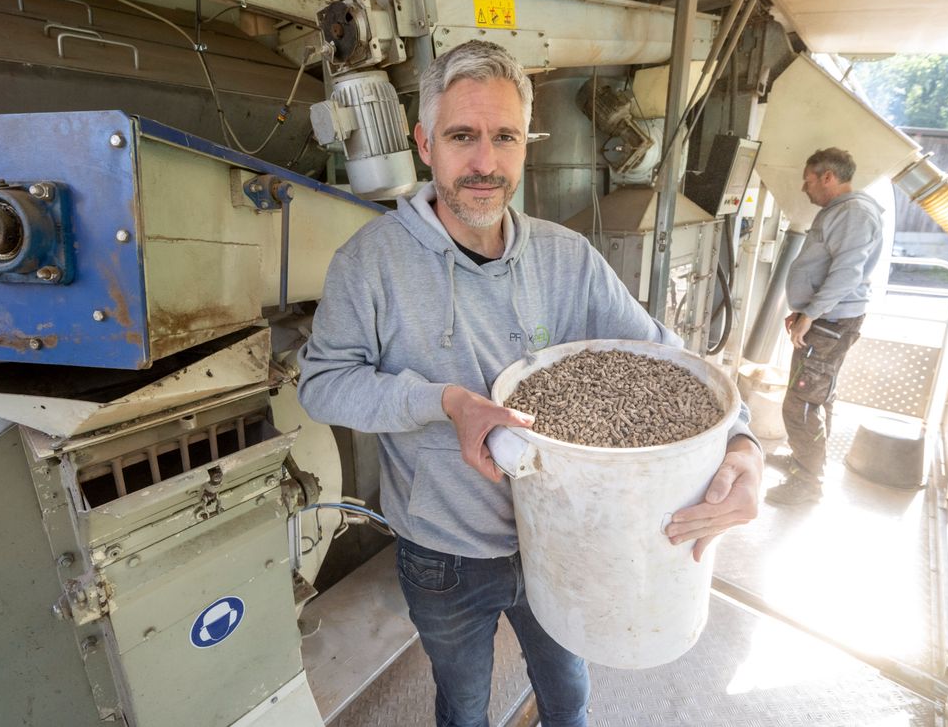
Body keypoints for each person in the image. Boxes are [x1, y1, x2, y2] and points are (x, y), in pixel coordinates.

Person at [297, 40, 763, 727]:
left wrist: (745, 446)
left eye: (504, 137)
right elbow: (323, 384)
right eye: (462, 136)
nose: (484, 163)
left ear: (525, 146)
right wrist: (442, 401)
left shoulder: (565, 257)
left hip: (565, 534)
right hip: (444, 550)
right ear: (425, 143)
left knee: (568, 690)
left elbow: (669, 360)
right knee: (463, 703)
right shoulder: (369, 263)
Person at [765, 147, 885, 506]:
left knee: (801, 403)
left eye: (808, 180)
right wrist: (804, 310)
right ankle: (804, 461)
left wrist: (812, 315)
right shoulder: (843, 212)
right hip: (828, 319)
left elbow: (846, 274)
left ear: (828, 177)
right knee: (817, 397)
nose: (805, 189)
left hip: (831, 322)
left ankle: (807, 482)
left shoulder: (853, 214)